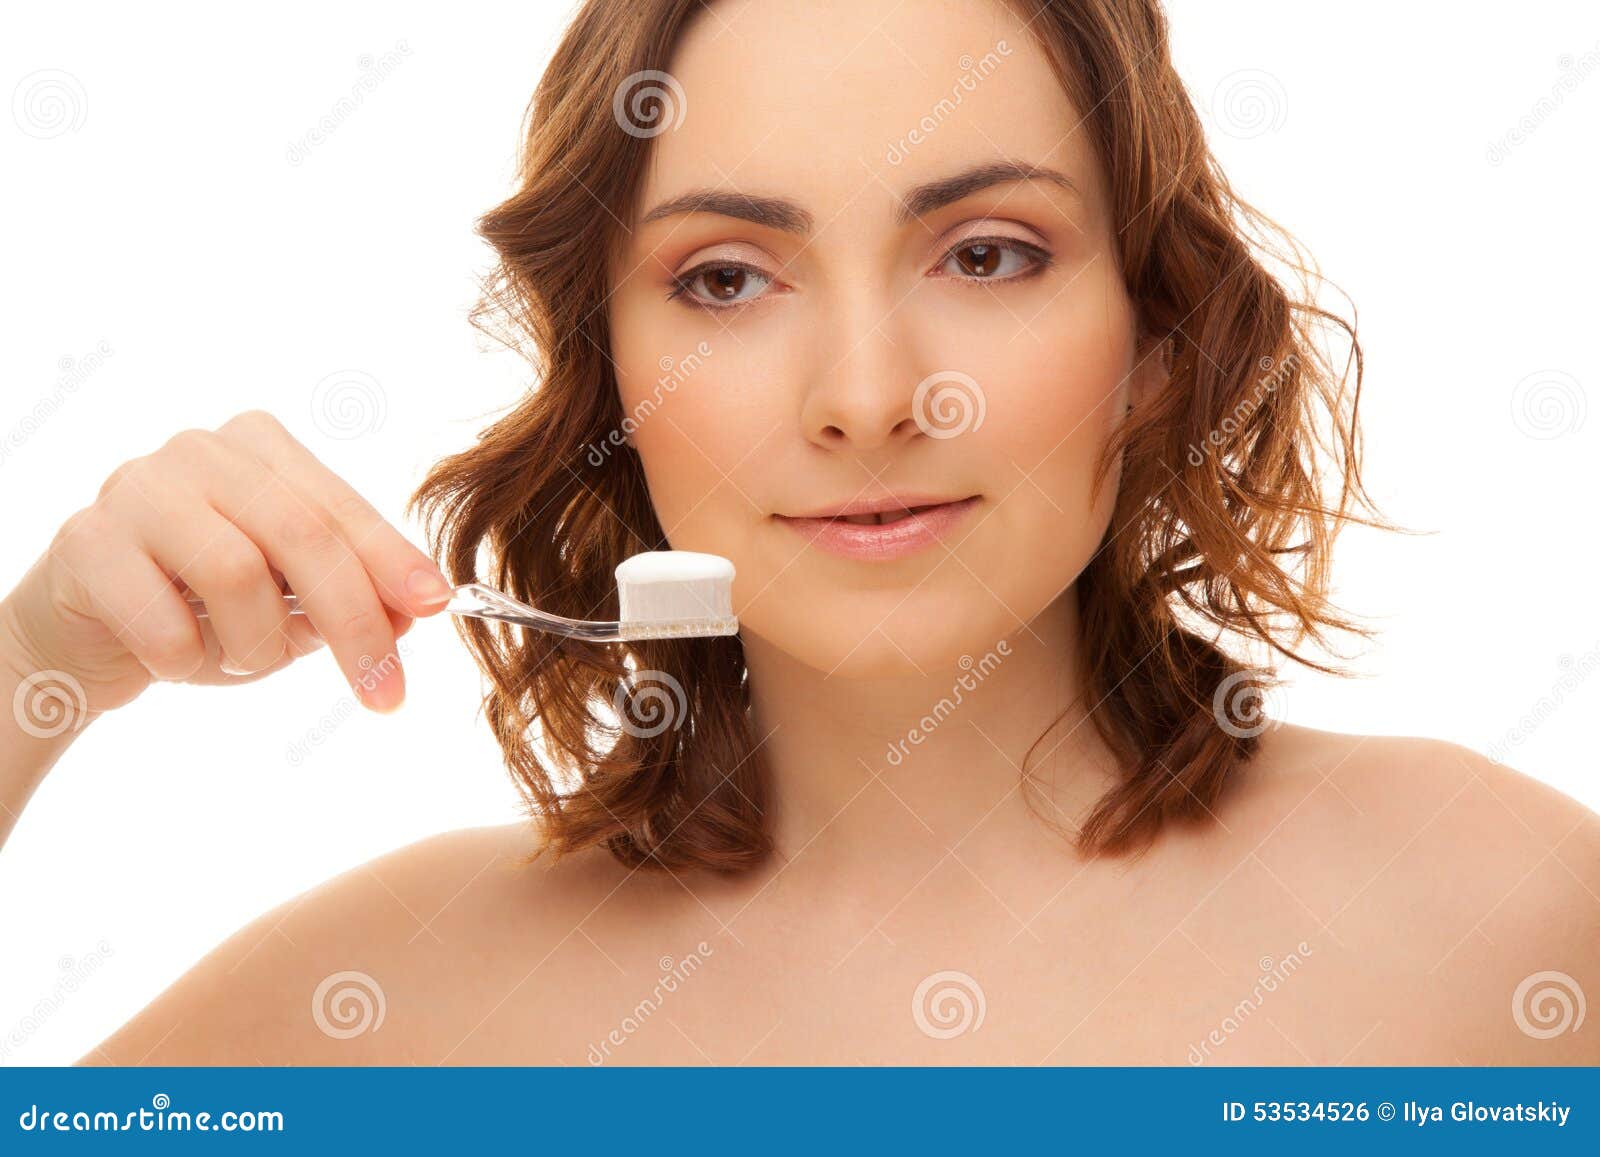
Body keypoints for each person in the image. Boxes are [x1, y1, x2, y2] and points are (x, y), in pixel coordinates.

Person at [3, 0, 1595, 1065]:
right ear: (605, 367)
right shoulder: (387, 1012)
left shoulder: (1499, 917)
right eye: (725, 279)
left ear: (1156, 340)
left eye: (986, 254)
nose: (865, 396)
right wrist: (38, 661)